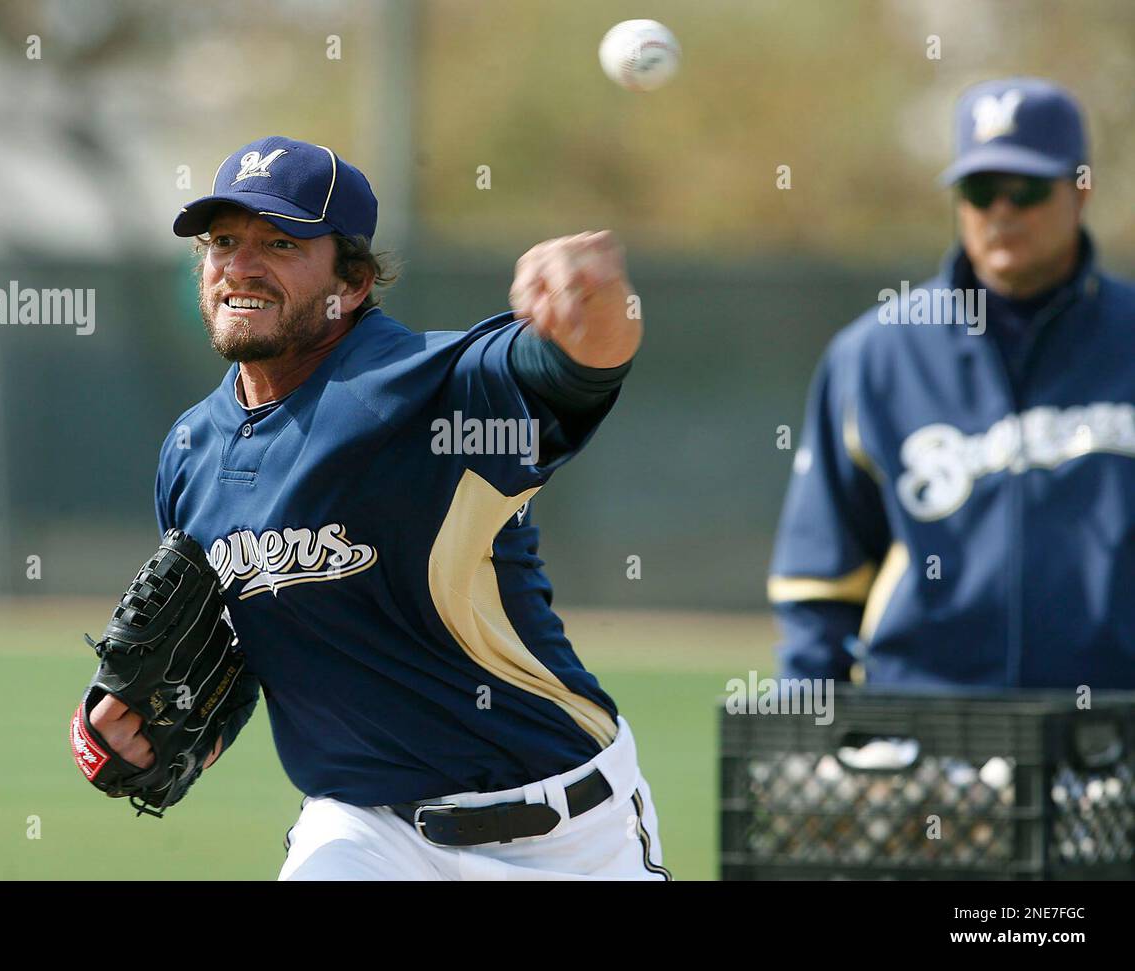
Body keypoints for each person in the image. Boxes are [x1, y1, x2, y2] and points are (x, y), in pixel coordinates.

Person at [87, 135, 669, 880]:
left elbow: (573, 369)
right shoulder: (190, 451)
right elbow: (221, 656)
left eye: (280, 242)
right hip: (363, 833)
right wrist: (144, 721)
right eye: (223, 241)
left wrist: (597, 302)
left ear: (352, 281)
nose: (240, 265)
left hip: (562, 834)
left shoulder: (426, 389)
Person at [768, 78, 1135, 689]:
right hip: (924, 739)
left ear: (1081, 190)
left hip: (1115, 736)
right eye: (981, 189)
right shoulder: (876, 355)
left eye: (1027, 190)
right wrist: (810, 732)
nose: (1002, 212)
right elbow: (821, 581)